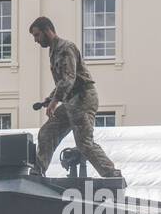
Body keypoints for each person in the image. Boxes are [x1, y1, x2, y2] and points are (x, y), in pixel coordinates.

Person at [27, 16, 121, 178]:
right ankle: (37, 172)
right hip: (71, 101)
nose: (36, 40)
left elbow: (69, 78)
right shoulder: (54, 50)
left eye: (37, 35)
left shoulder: (66, 48)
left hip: (83, 99)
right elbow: (62, 82)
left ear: (47, 31)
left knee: (84, 144)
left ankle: (112, 174)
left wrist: (55, 102)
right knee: (47, 132)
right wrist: (49, 99)